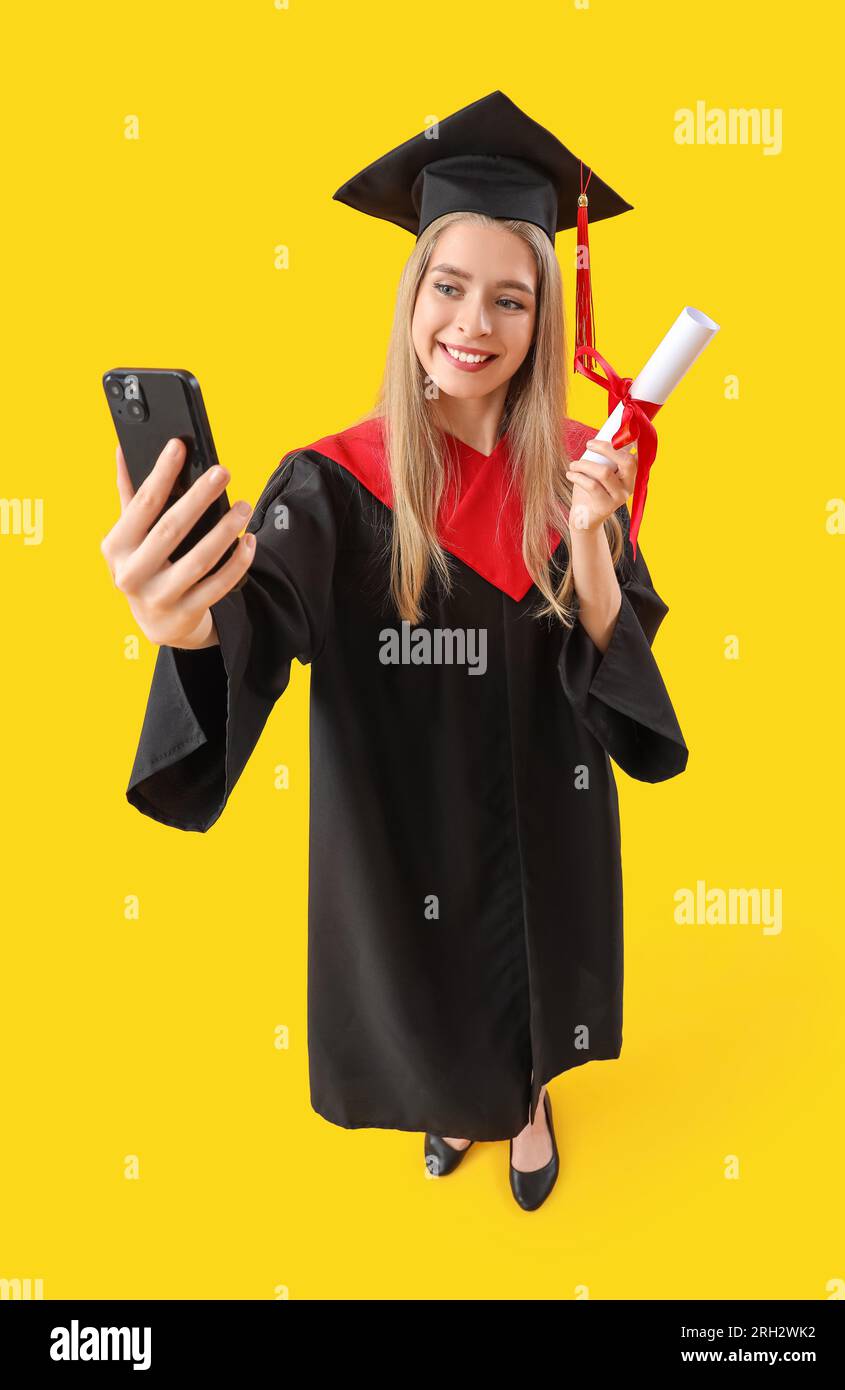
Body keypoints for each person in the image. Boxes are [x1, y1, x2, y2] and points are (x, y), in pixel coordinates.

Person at [100, 92, 688, 1212]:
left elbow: (625, 680)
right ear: (411, 296)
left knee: (529, 972)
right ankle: (445, 1101)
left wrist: (595, 546)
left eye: (509, 297)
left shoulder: (581, 468)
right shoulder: (330, 485)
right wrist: (188, 629)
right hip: (403, 818)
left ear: (541, 320)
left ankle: (522, 1106)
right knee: (426, 979)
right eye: (447, 286)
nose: (473, 322)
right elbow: (256, 611)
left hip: (545, 808)